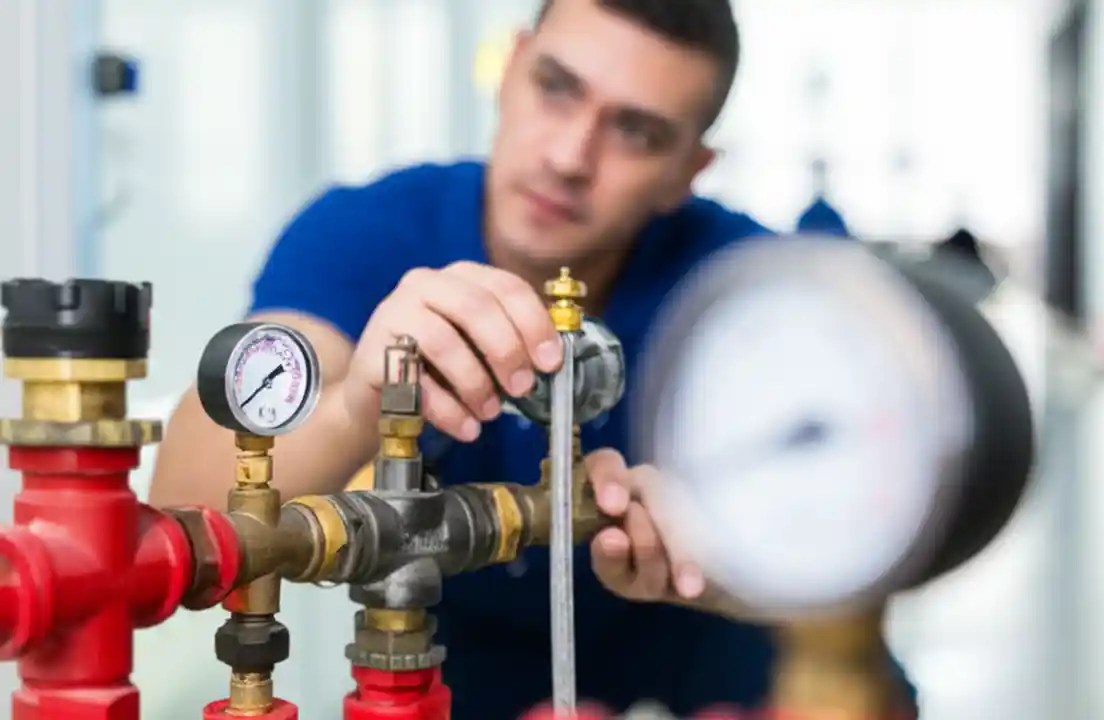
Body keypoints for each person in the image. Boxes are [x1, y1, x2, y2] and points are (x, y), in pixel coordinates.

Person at [149, 0, 915, 716]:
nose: (570, 155)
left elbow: (868, 548)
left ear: (687, 171)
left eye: (637, 132)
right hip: (457, 683)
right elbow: (185, 508)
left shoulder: (750, 293)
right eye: (556, 87)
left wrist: (751, 566)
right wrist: (356, 405)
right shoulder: (370, 233)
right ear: (512, 67)